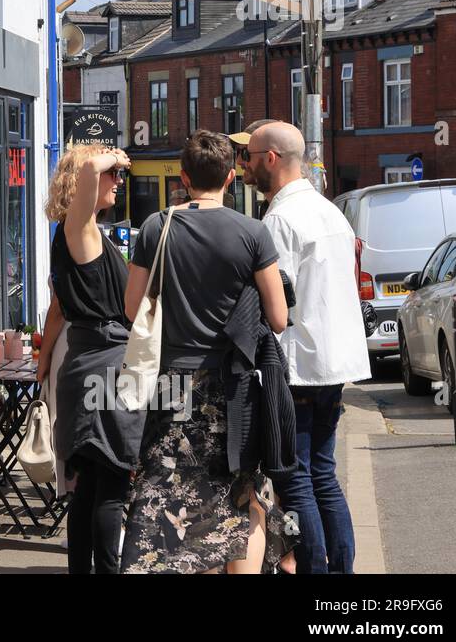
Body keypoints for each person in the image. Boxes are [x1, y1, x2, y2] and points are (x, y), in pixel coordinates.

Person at [121, 130, 292, 574]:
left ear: (183, 177)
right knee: (242, 490)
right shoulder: (253, 233)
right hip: (230, 388)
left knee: (168, 490)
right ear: (232, 177)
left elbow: (130, 307)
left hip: (171, 383)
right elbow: (278, 317)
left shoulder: (158, 226)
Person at [248, 121, 371, 573]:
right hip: (333, 363)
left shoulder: (280, 219)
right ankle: (341, 568)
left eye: (251, 156)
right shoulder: (330, 212)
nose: (246, 166)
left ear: (272, 159)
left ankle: (316, 570)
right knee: (323, 473)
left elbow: (275, 299)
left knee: (295, 476)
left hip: (297, 364)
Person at [36, 144, 141, 574]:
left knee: (92, 484)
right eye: (112, 175)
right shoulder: (78, 230)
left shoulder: (78, 232)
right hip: (102, 364)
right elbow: (61, 310)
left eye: (118, 175)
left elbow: (59, 308)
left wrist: (43, 362)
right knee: (111, 481)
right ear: (86, 180)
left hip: (93, 361)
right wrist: (109, 155)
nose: (118, 181)